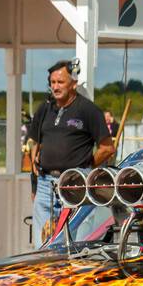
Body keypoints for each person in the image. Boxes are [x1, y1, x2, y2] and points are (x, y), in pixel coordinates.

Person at [28, 60, 115, 245]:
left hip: (75, 185)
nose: (55, 87)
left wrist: (85, 167)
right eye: (52, 82)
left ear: (73, 84)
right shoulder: (44, 108)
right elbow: (35, 143)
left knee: (75, 244)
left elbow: (107, 148)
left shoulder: (89, 110)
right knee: (41, 246)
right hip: (45, 186)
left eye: (60, 82)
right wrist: (34, 186)